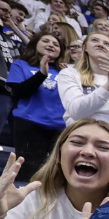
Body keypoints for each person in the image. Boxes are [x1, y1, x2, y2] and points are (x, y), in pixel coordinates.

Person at [57, 32, 109, 158]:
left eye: (107, 44)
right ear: (85, 48)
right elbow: (77, 112)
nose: (101, 44)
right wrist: (108, 86)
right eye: (95, 40)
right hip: (83, 146)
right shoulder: (69, 74)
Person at [7, 31, 66, 180]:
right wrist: (41, 74)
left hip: (61, 127)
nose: (50, 45)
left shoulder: (66, 72)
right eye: (46, 41)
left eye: (55, 44)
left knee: (59, 173)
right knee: (28, 172)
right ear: (35, 45)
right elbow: (19, 92)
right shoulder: (21, 65)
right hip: (29, 124)